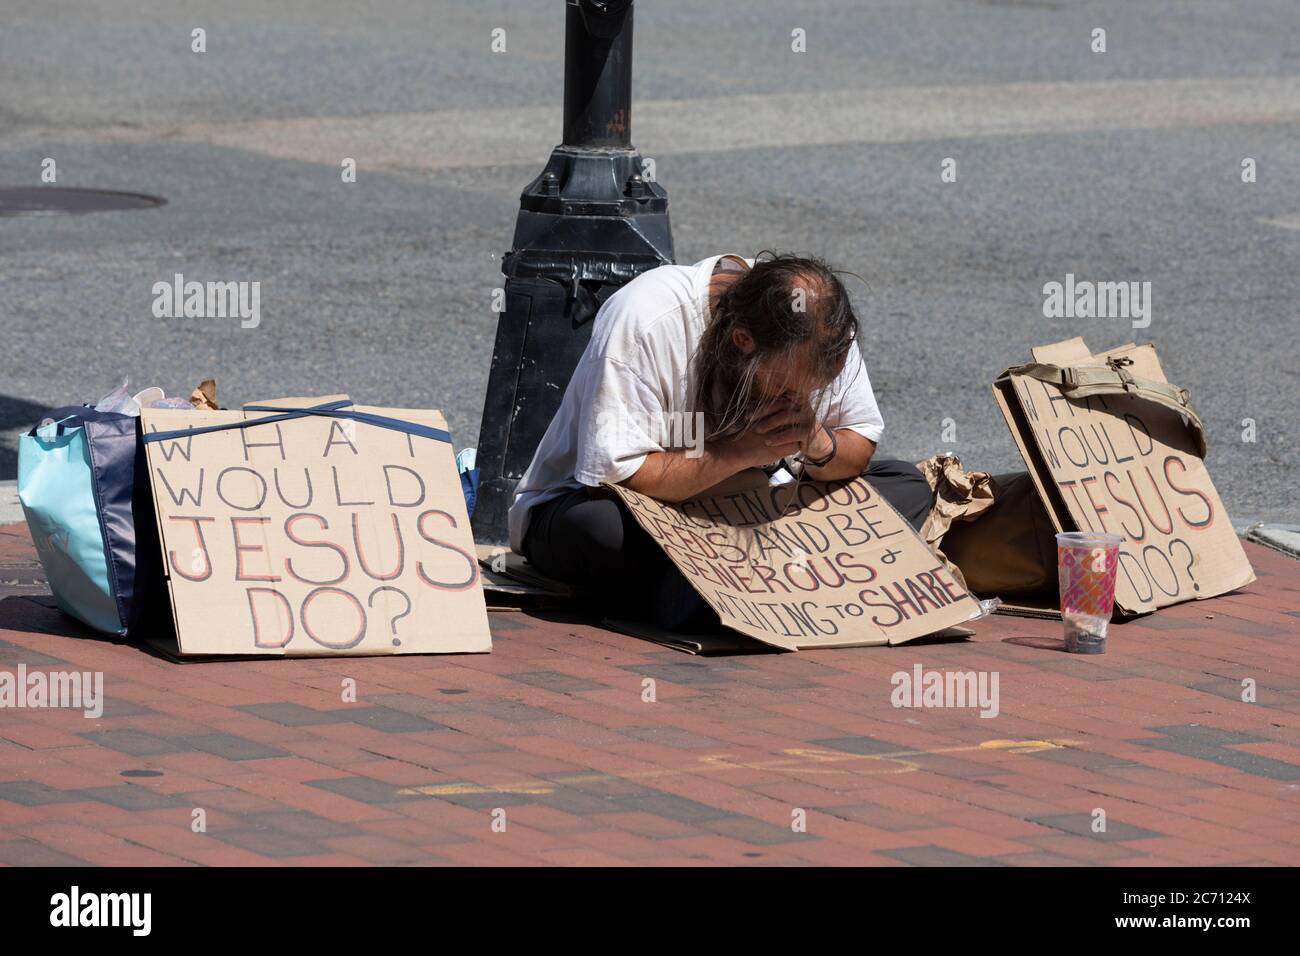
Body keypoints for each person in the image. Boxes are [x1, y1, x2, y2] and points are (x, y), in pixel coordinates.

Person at [508, 252, 935, 631]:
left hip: (756, 509)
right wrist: (737, 453)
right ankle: (731, 583)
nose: (796, 399)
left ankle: (710, 589)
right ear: (742, 341)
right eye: (784, 386)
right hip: (643, 508)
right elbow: (620, 476)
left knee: (906, 484)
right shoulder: (646, 318)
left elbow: (858, 443)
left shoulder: (825, 331)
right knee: (599, 530)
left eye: (810, 390)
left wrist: (818, 443)